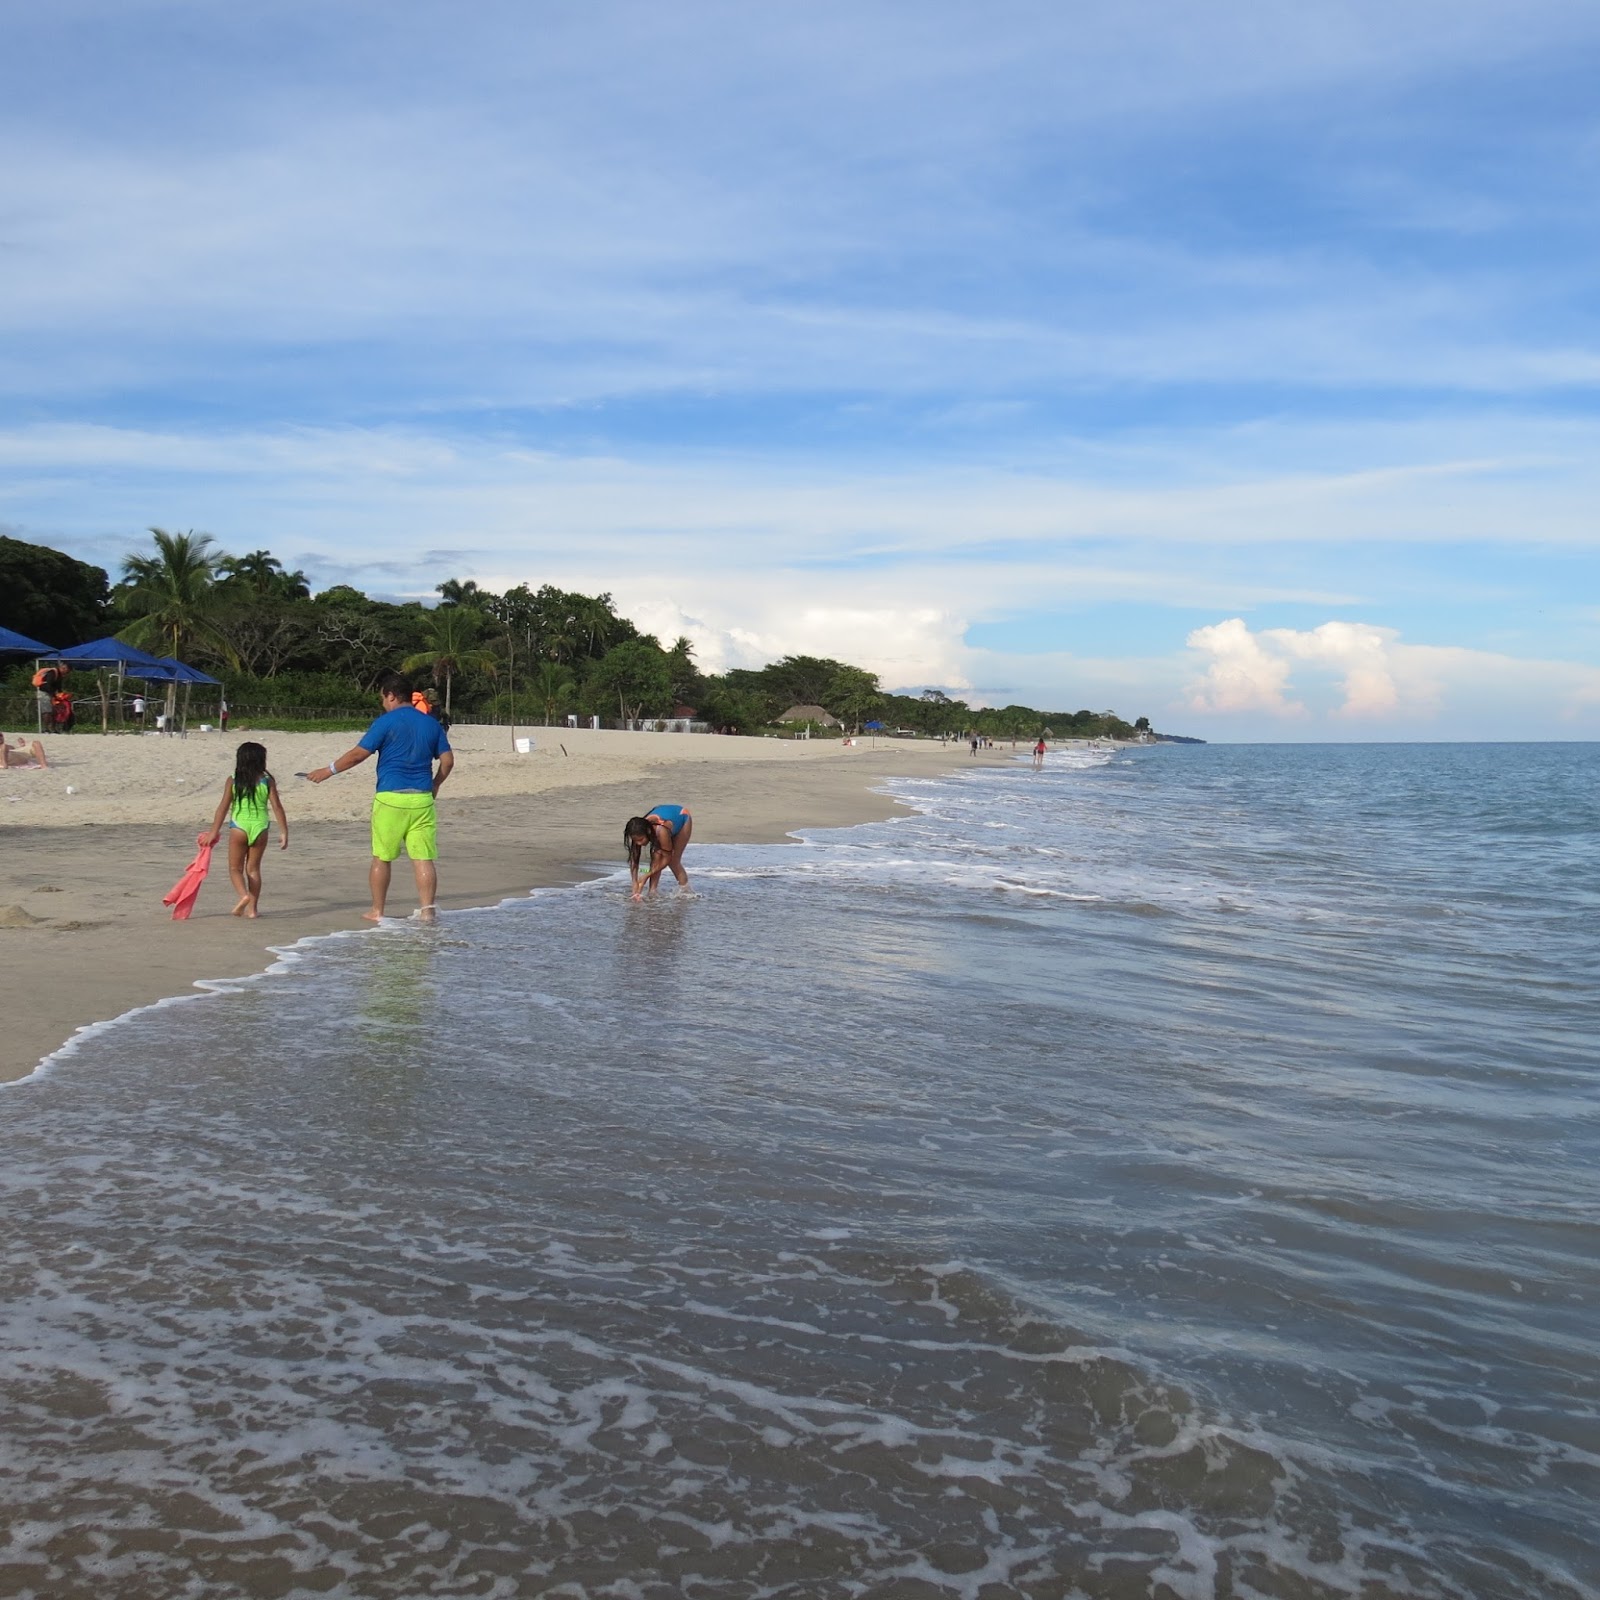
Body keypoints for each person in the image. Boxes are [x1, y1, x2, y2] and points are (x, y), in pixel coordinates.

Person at [309, 671, 454, 921]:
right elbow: (448, 761)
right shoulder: (431, 723)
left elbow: (358, 755)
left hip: (391, 798)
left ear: (392, 696)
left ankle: (377, 910)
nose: (383, 703)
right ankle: (427, 911)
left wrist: (328, 770)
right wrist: (436, 784)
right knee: (423, 858)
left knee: (382, 857)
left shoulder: (386, 722)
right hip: (421, 798)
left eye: (382, 698)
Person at [203, 741, 288, 918]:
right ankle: (252, 910)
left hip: (239, 828)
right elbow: (277, 807)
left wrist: (214, 832)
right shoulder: (267, 780)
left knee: (235, 869)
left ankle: (243, 896)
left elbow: (223, 807)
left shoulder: (233, 779)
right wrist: (284, 832)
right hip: (261, 827)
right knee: (254, 869)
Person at [624, 804, 692, 900]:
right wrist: (634, 882)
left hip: (682, 816)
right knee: (655, 857)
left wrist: (646, 875)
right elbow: (634, 860)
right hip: (662, 812)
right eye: (635, 840)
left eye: (641, 839)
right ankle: (652, 892)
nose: (638, 843)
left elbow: (667, 858)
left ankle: (685, 891)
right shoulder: (637, 830)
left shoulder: (661, 831)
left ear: (648, 832)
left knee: (674, 861)